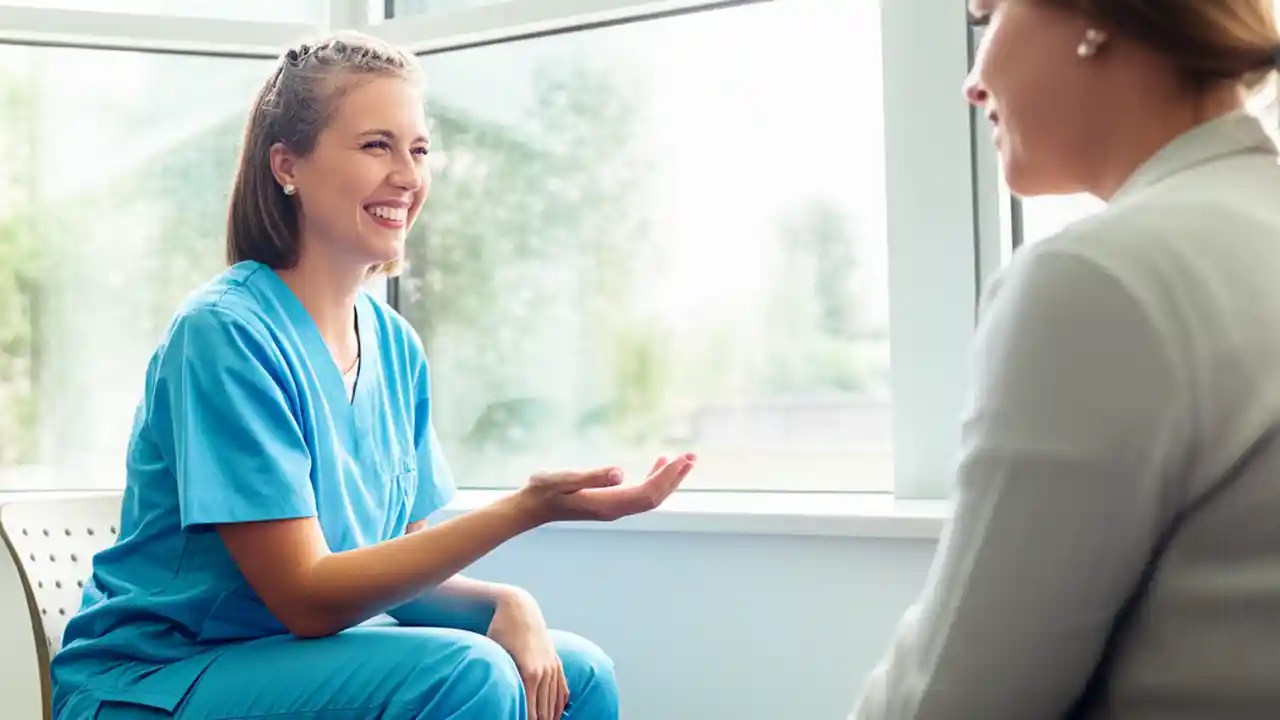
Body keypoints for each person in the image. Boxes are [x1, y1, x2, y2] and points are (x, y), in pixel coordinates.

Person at [50, 32, 697, 720]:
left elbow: (403, 578)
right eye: (375, 145)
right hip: (157, 681)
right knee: (466, 675)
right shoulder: (225, 333)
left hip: (295, 665)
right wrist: (524, 510)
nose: (409, 176)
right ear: (286, 164)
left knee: (578, 674)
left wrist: (510, 602)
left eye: (418, 150)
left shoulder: (394, 347)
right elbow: (305, 598)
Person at [850, 1, 1280, 718]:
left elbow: (953, 703)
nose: (972, 82)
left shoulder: (1097, 281)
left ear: (1097, 15)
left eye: (985, 18)